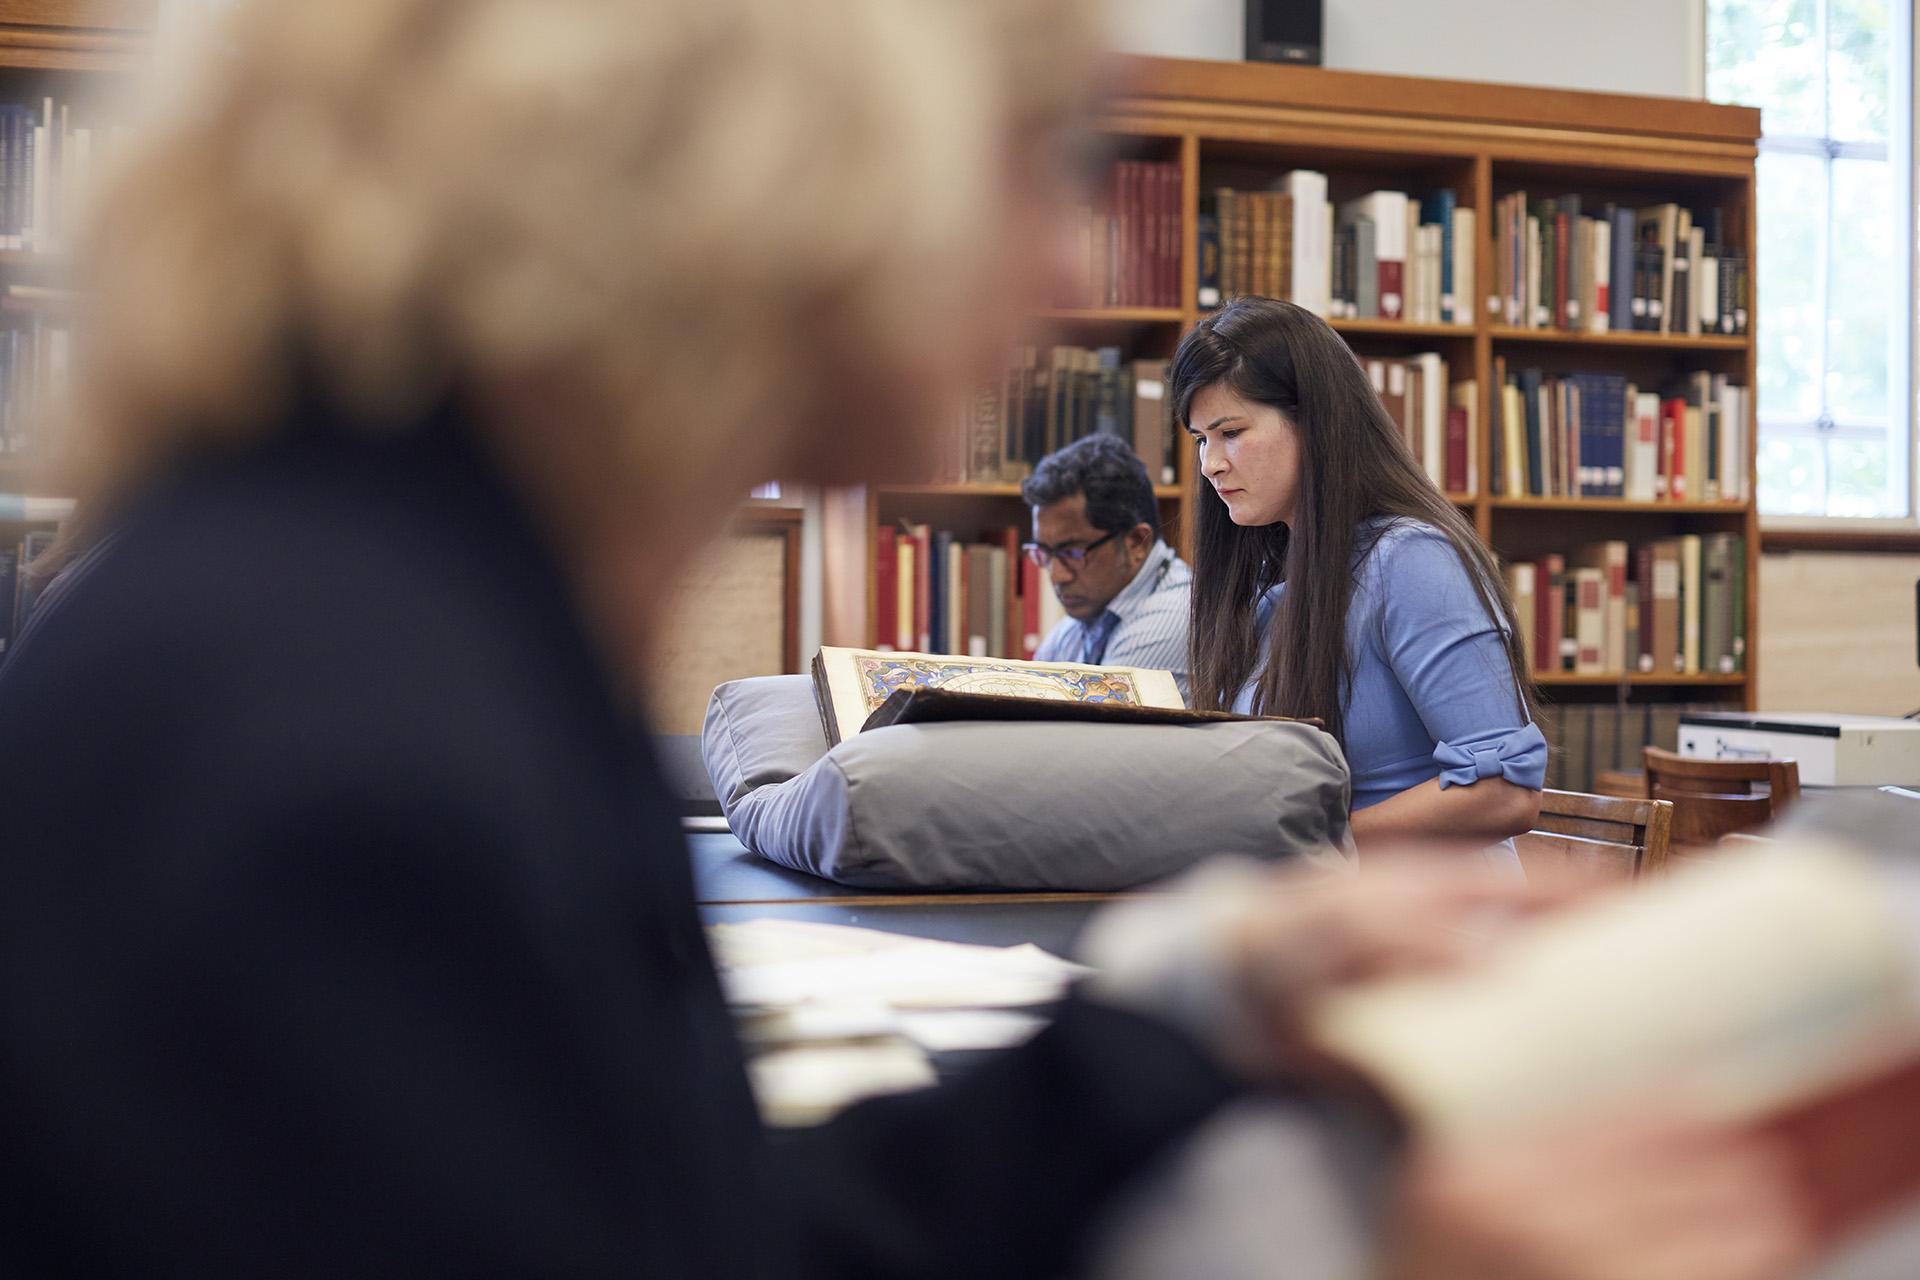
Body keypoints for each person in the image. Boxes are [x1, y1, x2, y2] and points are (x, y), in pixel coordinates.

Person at [0, 2, 1813, 1277]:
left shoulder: (374, 626)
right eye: (1029, 159)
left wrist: (1183, 1024)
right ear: (771, 162)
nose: (1048, 260)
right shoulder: (332, 750)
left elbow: (695, 1234)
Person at [1170, 297, 1546, 853]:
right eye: (1202, 440)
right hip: (1322, 909)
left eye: (1231, 432)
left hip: (1431, 919)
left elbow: (1505, 793)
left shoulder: (1413, 560)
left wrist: (1314, 847)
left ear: (1314, 422)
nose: (1210, 464)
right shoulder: (1278, 582)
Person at [1022, 433, 1192, 694]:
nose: (1056, 576)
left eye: (1072, 553)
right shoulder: (1089, 613)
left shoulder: (1171, 620)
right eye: (1044, 553)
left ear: (1137, 542)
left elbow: (1083, 735)